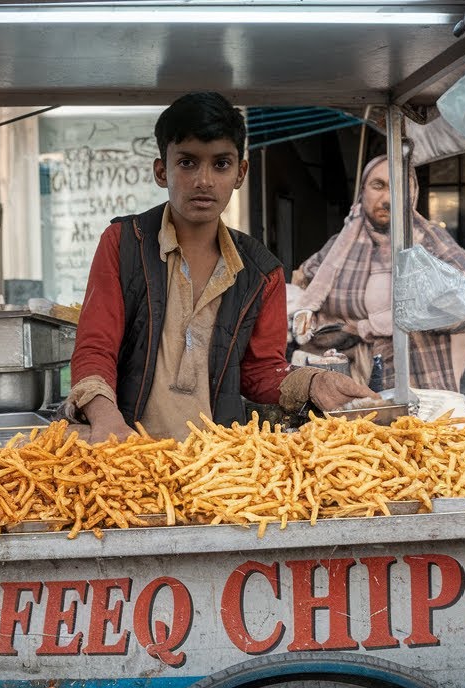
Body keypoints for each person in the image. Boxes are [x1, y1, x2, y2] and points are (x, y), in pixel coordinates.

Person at [66, 92, 376, 442]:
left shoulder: (262, 273)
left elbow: (260, 370)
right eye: (187, 162)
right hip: (129, 458)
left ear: (241, 172)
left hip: (218, 469)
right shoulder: (124, 243)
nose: (204, 180)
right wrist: (106, 420)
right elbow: (95, 348)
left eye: (221, 164)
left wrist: (314, 382)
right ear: (160, 170)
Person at [290, 155, 465, 391]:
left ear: (412, 194)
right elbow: (304, 293)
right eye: (378, 186)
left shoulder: (429, 244)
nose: (387, 199)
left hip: (418, 386)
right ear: (362, 190)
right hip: (346, 389)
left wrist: (401, 319)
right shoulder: (339, 246)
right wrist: (336, 328)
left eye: (398, 187)